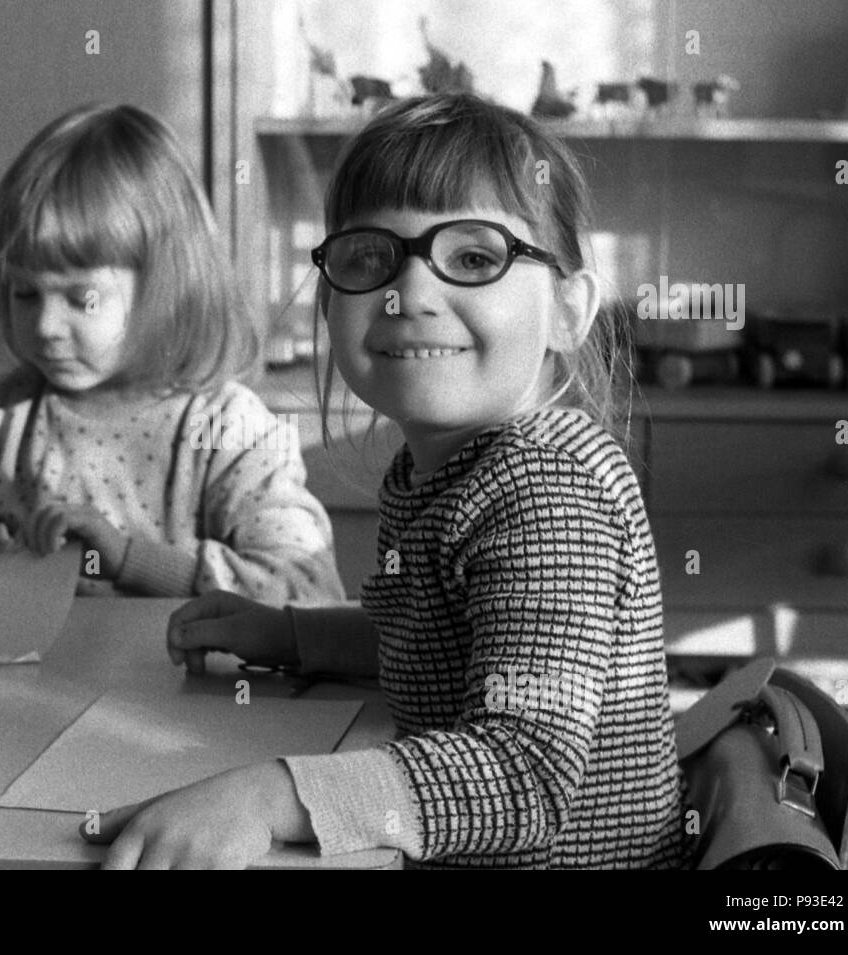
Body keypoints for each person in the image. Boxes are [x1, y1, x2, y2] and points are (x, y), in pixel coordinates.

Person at [89, 94, 692, 868]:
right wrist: (292, 634)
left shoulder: (548, 494)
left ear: (569, 312)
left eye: (475, 258)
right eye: (370, 258)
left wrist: (272, 796)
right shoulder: (444, 464)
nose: (409, 294)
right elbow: (442, 641)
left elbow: (524, 774)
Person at [0, 104, 344, 603]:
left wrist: (132, 560)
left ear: (168, 289)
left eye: (81, 299)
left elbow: (308, 590)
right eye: (25, 294)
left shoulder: (231, 433)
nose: (45, 327)